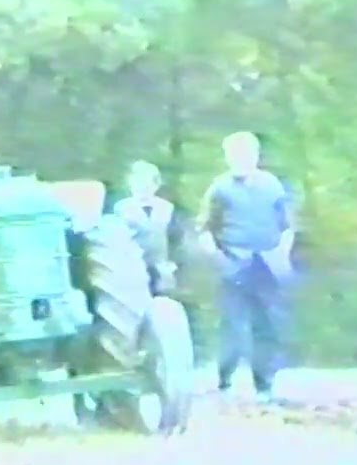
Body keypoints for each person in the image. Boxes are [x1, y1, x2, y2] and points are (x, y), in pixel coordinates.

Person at [196, 131, 296, 404]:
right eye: (234, 155)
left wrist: (281, 256)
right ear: (227, 157)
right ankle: (224, 380)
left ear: (255, 155)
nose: (239, 160)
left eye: (245, 154)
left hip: (267, 266)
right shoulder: (219, 188)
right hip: (233, 265)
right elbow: (204, 231)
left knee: (268, 327)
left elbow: (287, 227)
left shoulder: (272, 186)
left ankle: (264, 385)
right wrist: (221, 261)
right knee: (233, 326)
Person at [113, 160, 187, 296]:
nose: (142, 189)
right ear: (130, 184)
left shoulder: (167, 208)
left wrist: (174, 263)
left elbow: (176, 239)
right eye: (138, 184)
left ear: (156, 186)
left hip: (161, 268)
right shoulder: (120, 209)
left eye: (147, 185)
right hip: (131, 270)